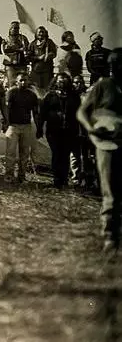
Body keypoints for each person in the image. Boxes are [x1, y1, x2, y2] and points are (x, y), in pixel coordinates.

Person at [76, 48, 122, 254]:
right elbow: (83, 112)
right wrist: (93, 129)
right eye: (114, 65)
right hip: (108, 146)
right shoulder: (103, 85)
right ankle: (111, 235)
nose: (116, 69)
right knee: (110, 190)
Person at [38, 72, 81, 189]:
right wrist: (39, 128)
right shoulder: (49, 96)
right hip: (53, 130)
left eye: (65, 81)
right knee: (56, 154)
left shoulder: (74, 96)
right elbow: (42, 113)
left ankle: (64, 179)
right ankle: (57, 179)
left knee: (65, 155)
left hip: (69, 130)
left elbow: (79, 114)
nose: (62, 83)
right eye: (60, 81)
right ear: (56, 82)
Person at [4, 72, 39, 184]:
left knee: (24, 153)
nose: (23, 82)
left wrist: (38, 127)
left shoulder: (32, 95)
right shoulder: (12, 92)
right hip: (13, 126)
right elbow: (7, 109)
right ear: (16, 81)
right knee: (10, 152)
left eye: (25, 80)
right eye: (21, 80)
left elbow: (35, 112)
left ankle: (21, 176)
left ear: (28, 81)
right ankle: (9, 175)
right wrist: (6, 124)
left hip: (26, 126)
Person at [71, 75, 97, 192]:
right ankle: (76, 178)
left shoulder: (87, 97)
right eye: (75, 83)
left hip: (87, 131)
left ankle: (89, 179)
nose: (78, 85)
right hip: (75, 130)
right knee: (76, 155)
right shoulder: (71, 95)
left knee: (88, 157)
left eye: (80, 82)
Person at [27, 26, 57, 95]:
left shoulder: (49, 42)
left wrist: (49, 55)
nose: (41, 34)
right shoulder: (32, 44)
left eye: (42, 32)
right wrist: (38, 58)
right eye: (39, 32)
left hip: (47, 71)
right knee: (35, 90)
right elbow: (28, 57)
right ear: (36, 33)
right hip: (35, 71)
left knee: (47, 90)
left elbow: (54, 53)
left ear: (45, 33)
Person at [2, 21, 30, 88]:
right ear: (10, 28)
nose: (15, 29)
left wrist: (24, 49)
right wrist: (18, 49)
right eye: (13, 28)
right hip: (10, 64)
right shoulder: (6, 39)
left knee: (22, 82)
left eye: (17, 28)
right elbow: (5, 50)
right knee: (11, 83)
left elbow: (27, 49)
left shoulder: (23, 38)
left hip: (21, 63)